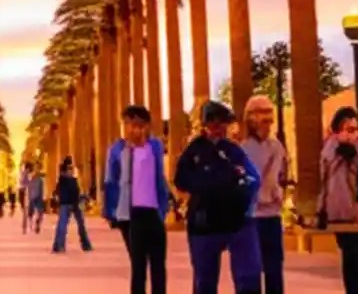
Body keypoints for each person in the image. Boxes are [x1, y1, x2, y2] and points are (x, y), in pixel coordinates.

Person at [175, 101, 262, 294]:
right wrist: (208, 184)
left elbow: (254, 179)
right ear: (205, 125)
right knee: (205, 281)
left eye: (222, 124)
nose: (218, 129)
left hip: (235, 221)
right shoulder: (194, 151)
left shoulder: (232, 151)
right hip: (204, 223)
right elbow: (181, 180)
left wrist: (242, 197)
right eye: (214, 124)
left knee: (248, 279)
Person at [104, 105, 171, 294]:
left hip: (154, 211)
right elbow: (110, 180)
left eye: (140, 125)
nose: (135, 130)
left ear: (147, 126)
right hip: (129, 214)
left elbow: (159, 177)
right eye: (129, 124)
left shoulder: (155, 146)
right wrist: (111, 212)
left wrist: (164, 206)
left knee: (158, 265)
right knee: (138, 265)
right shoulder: (117, 150)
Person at [320, 107, 358, 294]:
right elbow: (324, 174)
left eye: (355, 129)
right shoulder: (330, 148)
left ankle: (355, 290)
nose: (353, 134)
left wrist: (354, 155)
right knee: (351, 253)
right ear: (337, 131)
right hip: (339, 211)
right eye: (348, 129)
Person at [242, 96, 288, 294]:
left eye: (270, 120)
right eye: (263, 119)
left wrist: (278, 193)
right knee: (250, 273)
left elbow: (282, 176)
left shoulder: (276, 147)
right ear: (251, 119)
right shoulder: (242, 148)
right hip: (251, 217)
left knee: (274, 270)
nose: (268, 125)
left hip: (272, 216)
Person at [52, 159, 92, 253]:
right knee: (80, 224)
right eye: (70, 169)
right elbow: (76, 192)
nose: (72, 171)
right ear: (67, 169)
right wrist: (82, 201)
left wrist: (58, 201)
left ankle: (59, 246)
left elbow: (56, 193)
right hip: (74, 203)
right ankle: (86, 245)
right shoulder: (71, 180)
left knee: (62, 225)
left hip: (65, 204)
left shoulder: (61, 181)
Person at [24, 165, 46, 234]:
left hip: (34, 198)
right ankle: (35, 223)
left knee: (33, 213)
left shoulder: (35, 179)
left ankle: (33, 224)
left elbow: (28, 188)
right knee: (38, 212)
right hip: (37, 198)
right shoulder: (39, 180)